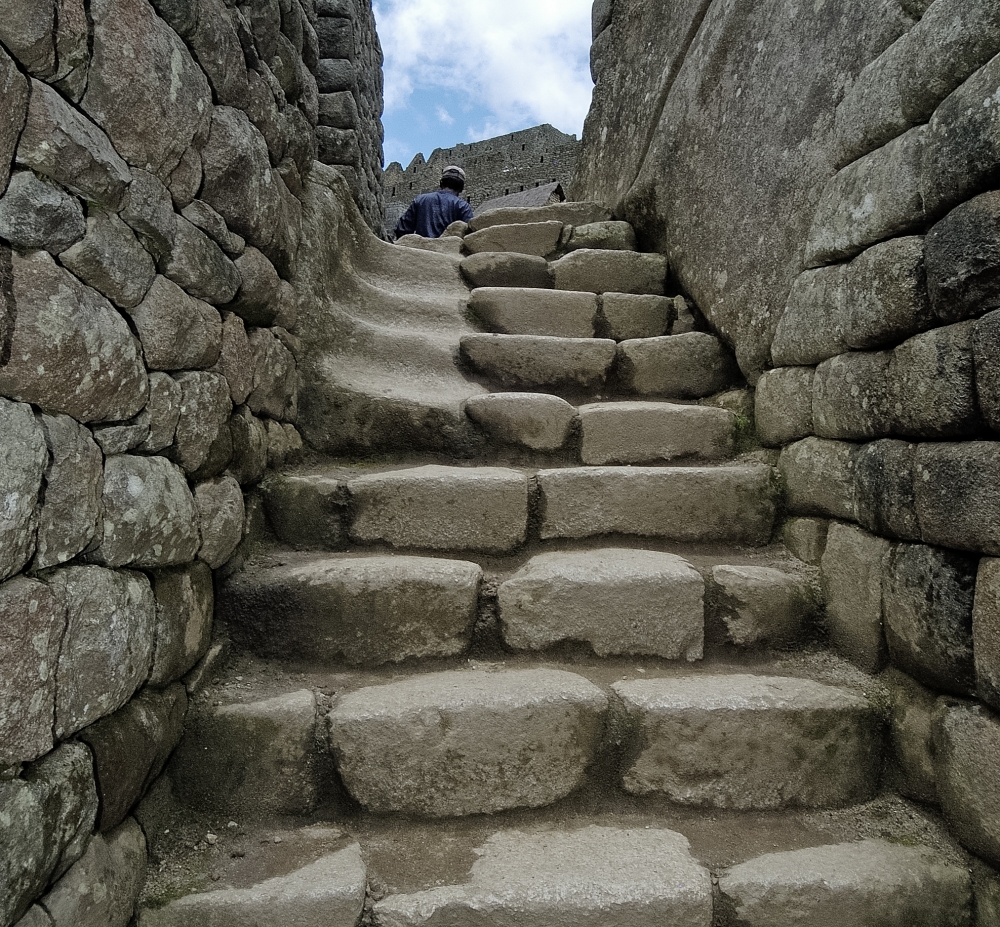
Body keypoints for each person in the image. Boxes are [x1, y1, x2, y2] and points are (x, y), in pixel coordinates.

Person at [394, 166, 474, 240]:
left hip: (420, 250)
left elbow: (402, 229)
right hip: (447, 252)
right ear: (461, 188)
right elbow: (468, 236)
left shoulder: (420, 200)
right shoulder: (463, 206)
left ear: (441, 183)